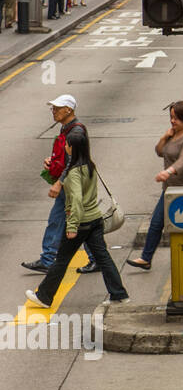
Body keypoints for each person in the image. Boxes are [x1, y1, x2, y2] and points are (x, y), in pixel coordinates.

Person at [25, 128, 129, 309]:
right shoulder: (90, 166)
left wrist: (72, 227)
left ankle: (44, 296)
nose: (64, 146)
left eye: (66, 144)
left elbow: (76, 202)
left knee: (61, 260)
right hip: (95, 219)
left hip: (81, 223)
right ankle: (119, 294)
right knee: (103, 258)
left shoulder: (73, 173)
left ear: (71, 148)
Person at [126, 101, 183, 271]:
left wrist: (169, 171)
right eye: (171, 117)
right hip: (170, 189)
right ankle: (146, 258)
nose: (173, 121)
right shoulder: (173, 134)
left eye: (176, 118)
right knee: (156, 223)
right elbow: (159, 151)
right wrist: (164, 137)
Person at [22, 95, 99, 275]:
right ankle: (49, 258)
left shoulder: (75, 132)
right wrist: (52, 161)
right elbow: (66, 158)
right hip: (70, 183)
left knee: (75, 222)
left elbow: (73, 161)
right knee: (63, 221)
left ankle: (51, 259)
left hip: (72, 184)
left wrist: (59, 182)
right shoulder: (67, 129)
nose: (54, 111)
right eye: (53, 108)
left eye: (57, 108)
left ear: (69, 110)